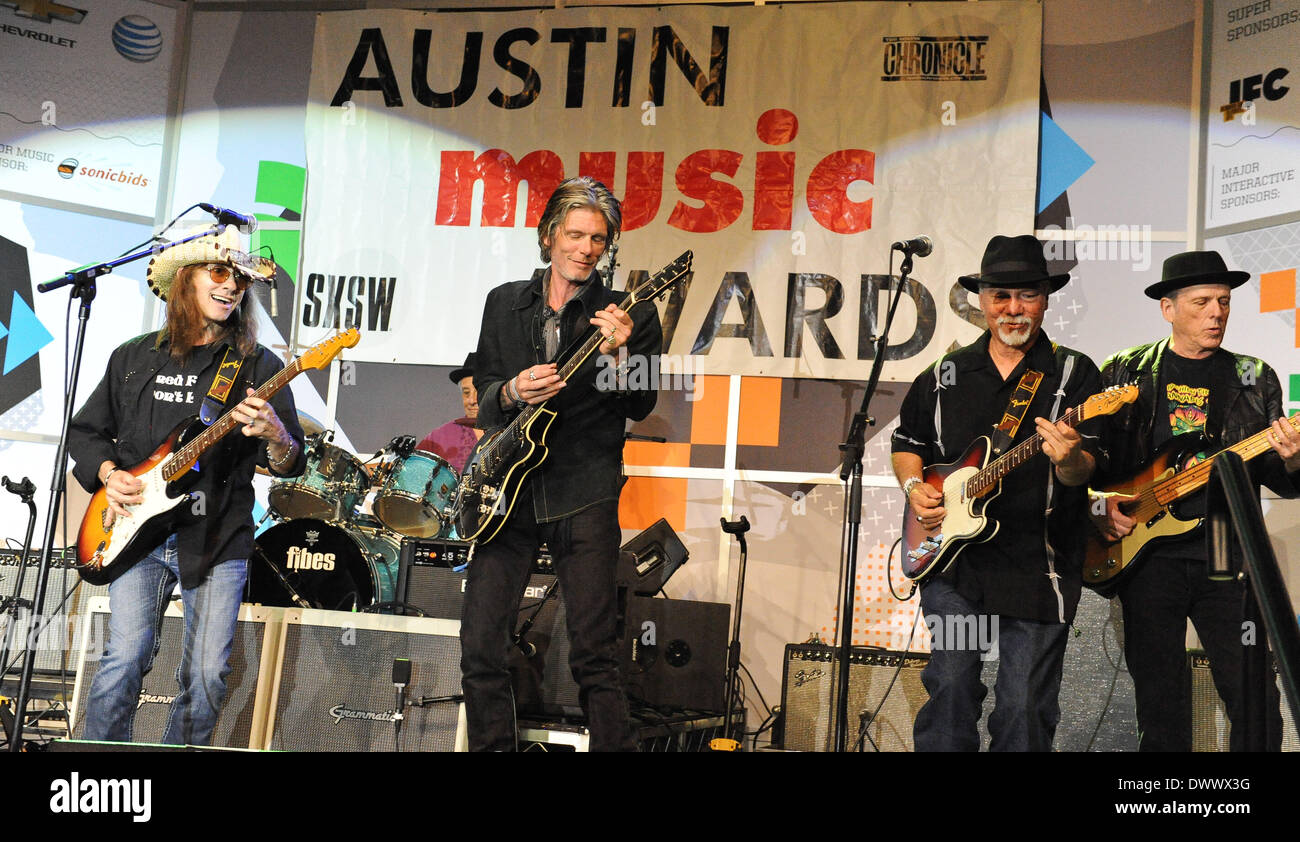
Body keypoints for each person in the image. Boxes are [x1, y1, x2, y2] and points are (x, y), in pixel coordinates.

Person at [68, 227, 305, 745]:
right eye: (219, 272)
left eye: (241, 279)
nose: (232, 286)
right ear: (184, 281)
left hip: (217, 535)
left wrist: (277, 433)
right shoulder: (132, 357)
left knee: (205, 677)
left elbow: (291, 463)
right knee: (123, 661)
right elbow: (86, 433)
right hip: (133, 532)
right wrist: (111, 476)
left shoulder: (258, 364)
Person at [460, 176, 661, 751]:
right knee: (480, 644)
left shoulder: (630, 314)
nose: (586, 248)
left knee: (595, 654)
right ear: (549, 236)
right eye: (575, 235)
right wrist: (512, 391)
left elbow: (642, 403)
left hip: (585, 490)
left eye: (598, 239)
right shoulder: (504, 302)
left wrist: (622, 357)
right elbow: (487, 383)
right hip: (507, 493)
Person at [890, 234, 1103, 751]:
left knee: (1022, 707)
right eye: (1000, 296)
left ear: (1046, 299)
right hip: (952, 564)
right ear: (981, 300)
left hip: (1039, 566)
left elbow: (1089, 470)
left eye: (1026, 295)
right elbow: (908, 442)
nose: (1013, 309)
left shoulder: (1077, 374)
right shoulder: (944, 374)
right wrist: (915, 485)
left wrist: (1070, 458)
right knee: (952, 687)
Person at [1093, 249, 1299, 751]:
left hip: (1228, 558)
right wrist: (1097, 506)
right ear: (1168, 308)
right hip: (1147, 559)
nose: (1217, 313)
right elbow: (1094, 464)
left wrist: (1294, 459)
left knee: (1253, 697)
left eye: (1225, 302)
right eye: (1203, 302)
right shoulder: (1125, 371)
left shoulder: (1255, 376)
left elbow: (1283, 480)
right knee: (1160, 703)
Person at [417, 352, 482, 474]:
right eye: (466, 393)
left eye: (479, 391)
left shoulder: (512, 431)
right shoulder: (439, 438)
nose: (472, 400)